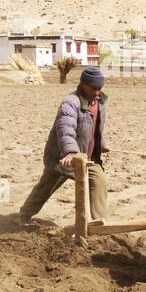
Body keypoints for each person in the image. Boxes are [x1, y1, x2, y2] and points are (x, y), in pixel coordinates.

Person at [19, 65, 109, 228]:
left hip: (87, 158)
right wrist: (70, 152)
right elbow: (66, 129)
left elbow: (94, 127)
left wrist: (100, 144)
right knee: (46, 186)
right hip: (62, 157)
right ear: (83, 84)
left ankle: (98, 225)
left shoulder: (99, 102)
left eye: (99, 88)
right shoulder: (70, 103)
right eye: (93, 88)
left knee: (99, 181)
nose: (96, 92)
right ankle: (24, 215)